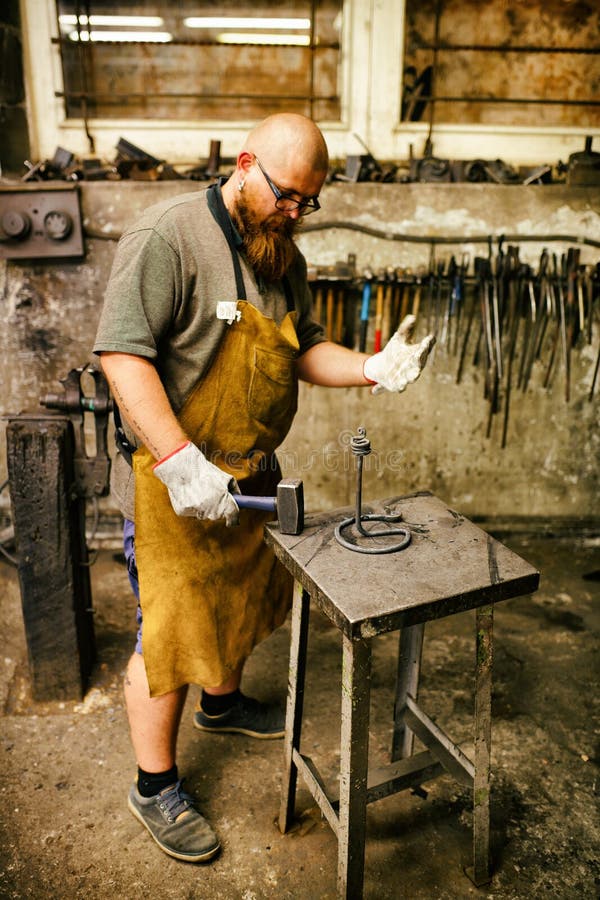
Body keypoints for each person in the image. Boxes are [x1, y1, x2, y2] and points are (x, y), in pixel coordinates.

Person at [93, 112, 434, 864]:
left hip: (250, 472)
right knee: (171, 634)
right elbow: (123, 357)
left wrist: (372, 367)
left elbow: (305, 346)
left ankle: (222, 707)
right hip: (171, 478)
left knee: (242, 601)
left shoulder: (280, 253)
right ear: (245, 164)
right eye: (287, 195)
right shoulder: (168, 237)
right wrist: (180, 460)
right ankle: (155, 785)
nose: (296, 213)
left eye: (308, 202)